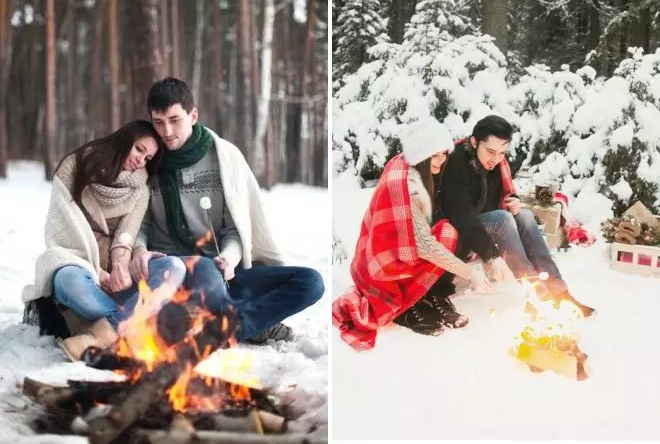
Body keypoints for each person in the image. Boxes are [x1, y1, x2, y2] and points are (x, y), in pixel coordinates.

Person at [128, 77, 324, 345]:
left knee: (311, 282)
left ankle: (227, 324)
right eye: (158, 122)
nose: (167, 131)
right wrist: (139, 250)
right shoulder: (148, 160)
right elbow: (138, 222)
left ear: (193, 115)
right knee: (206, 278)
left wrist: (230, 259)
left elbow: (237, 228)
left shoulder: (223, 156)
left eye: (175, 120)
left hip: (225, 272)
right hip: (176, 272)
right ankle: (245, 322)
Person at [22, 120, 188, 361]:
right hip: (74, 262)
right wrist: (97, 272)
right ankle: (136, 326)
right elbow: (62, 229)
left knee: (174, 267)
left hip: (113, 273)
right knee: (73, 284)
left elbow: (125, 236)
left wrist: (120, 267)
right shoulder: (76, 166)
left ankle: (103, 333)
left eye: (148, 157)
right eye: (139, 149)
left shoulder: (140, 190)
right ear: (123, 140)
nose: (141, 160)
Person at [332, 117, 491, 351]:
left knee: (447, 230)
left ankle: (427, 295)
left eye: (445, 153)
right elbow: (425, 246)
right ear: (421, 154)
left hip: (390, 253)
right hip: (382, 267)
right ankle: (405, 306)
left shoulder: (407, 167)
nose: (443, 159)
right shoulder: (406, 186)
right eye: (436, 154)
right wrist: (470, 274)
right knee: (444, 239)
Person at [437, 114, 595, 316]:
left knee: (526, 217)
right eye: (490, 151)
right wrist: (492, 256)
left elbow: (502, 194)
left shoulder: (496, 162)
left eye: (502, 152)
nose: (496, 158)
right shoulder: (456, 162)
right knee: (502, 220)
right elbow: (461, 214)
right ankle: (538, 295)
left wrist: (513, 201)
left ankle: (559, 292)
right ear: (474, 142)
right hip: (457, 227)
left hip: (484, 220)